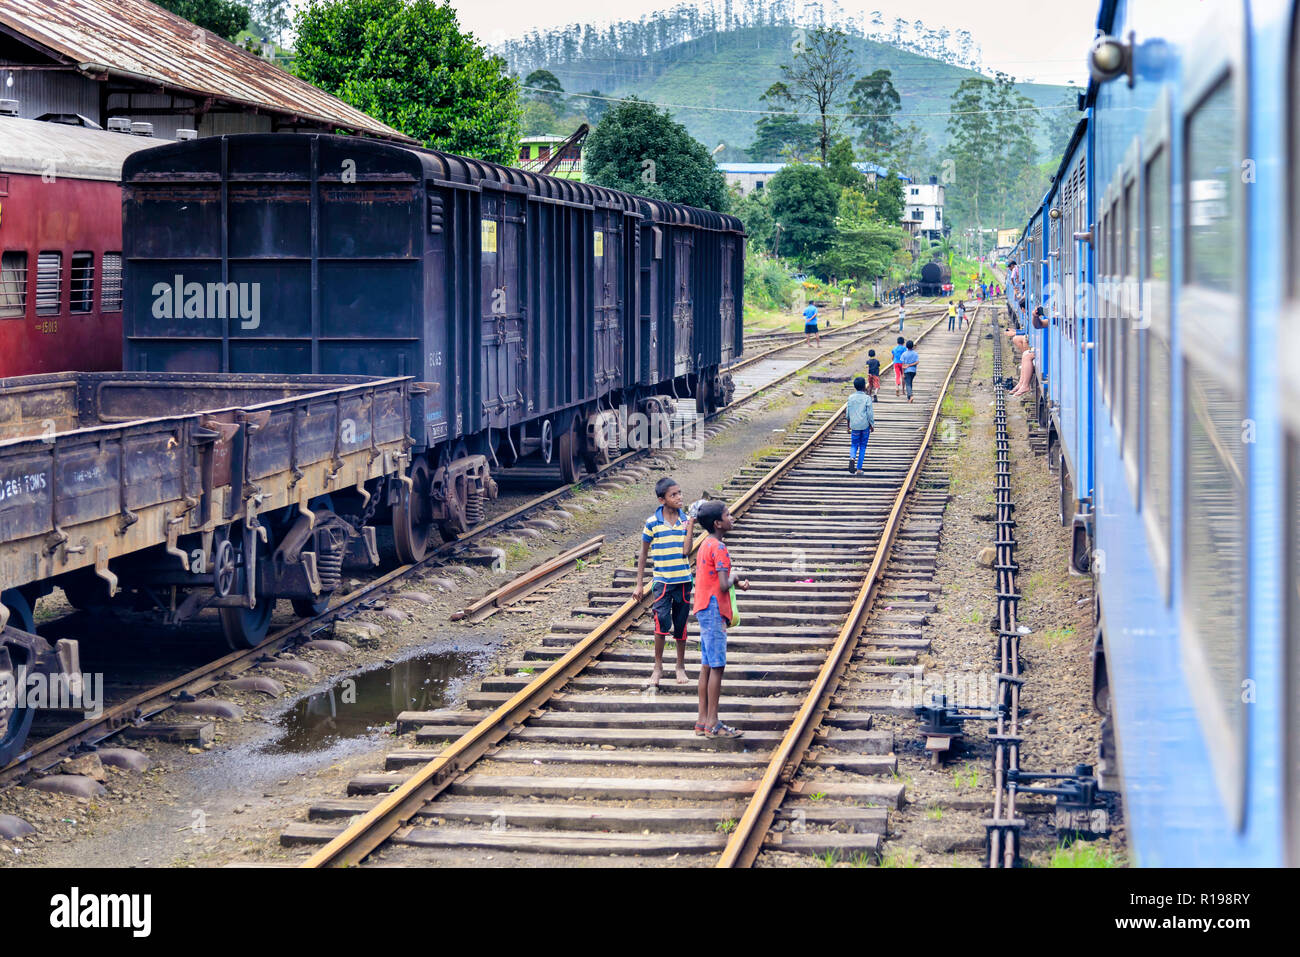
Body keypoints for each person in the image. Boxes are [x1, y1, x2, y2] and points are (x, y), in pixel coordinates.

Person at [691, 501, 749, 738]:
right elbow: (724, 584)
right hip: (714, 609)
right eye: (727, 515)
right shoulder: (720, 548)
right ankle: (713, 723)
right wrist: (737, 578)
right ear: (718, 523)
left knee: (707, 664)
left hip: (704, 607)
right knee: (717, 666)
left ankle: (702, 721)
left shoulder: (706, 544)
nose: (731, 517)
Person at [634, 477, 695, 687]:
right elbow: (643, 554)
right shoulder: (652, 523)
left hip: (684, 581)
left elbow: (687, 551)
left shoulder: (686, 520)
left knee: (681, 624)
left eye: (680, 493)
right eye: (674, 495)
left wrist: (690, 527)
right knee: (660, 622)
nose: (679, 497)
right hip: (662, 582)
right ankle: (657, 667)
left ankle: (680, 666)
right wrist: (639, 583)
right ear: (662, 500)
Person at [846, 376, 875, 475]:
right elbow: (869, 413)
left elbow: (848, 413)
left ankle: (852, 458)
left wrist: (848, 425)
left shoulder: (850, 398)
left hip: (854, 425)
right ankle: (858, 469)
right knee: (862, 446)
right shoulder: (867, 398)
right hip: (865, 425)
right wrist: (872, 425)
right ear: (864, 386)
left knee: (854, 444)